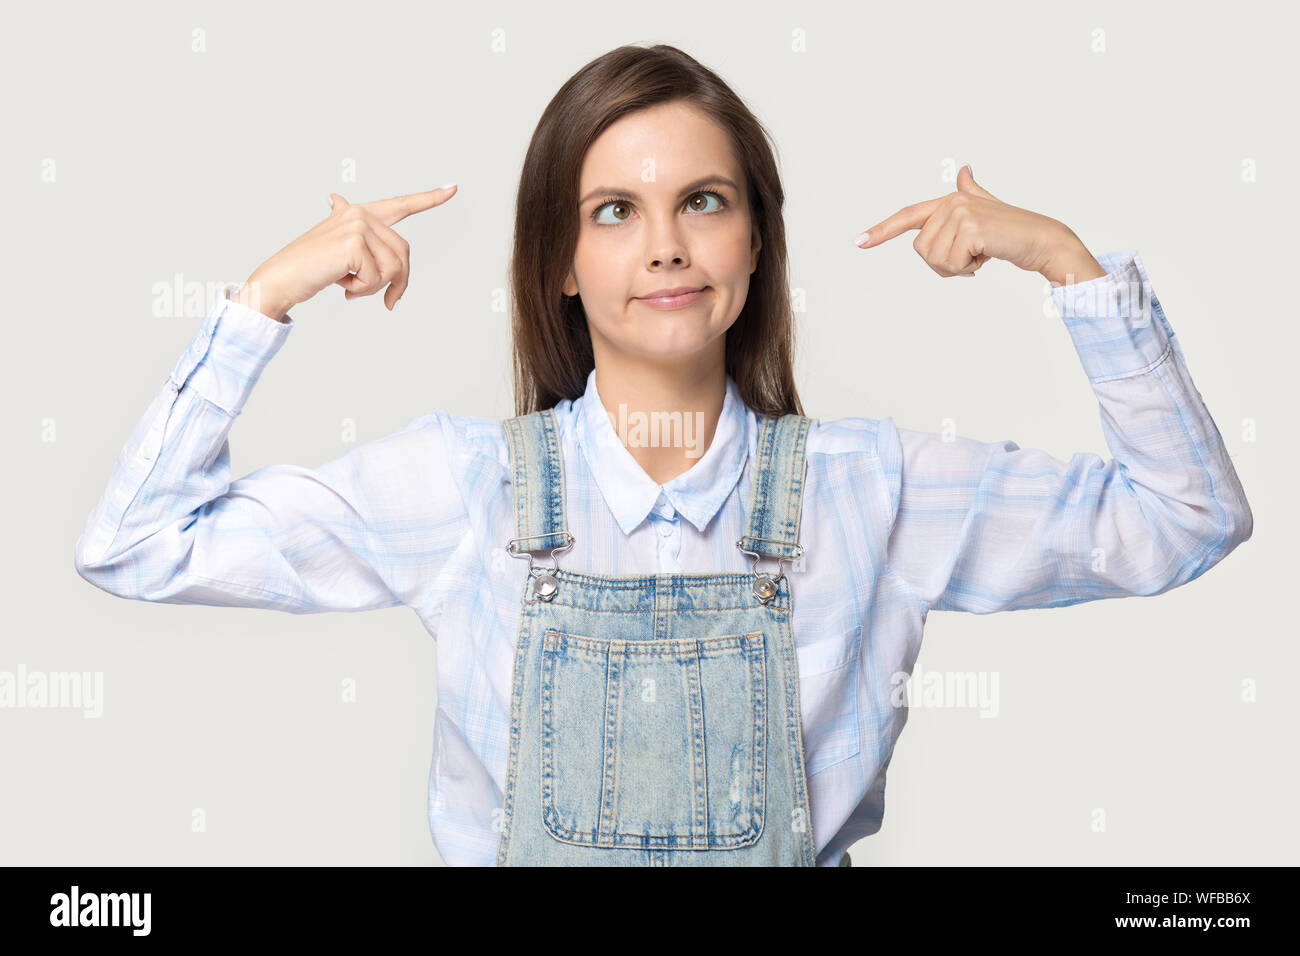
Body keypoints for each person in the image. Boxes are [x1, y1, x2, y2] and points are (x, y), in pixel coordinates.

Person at [74, 44, 1253, 866]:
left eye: (702, 200)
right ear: (558, 262)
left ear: (754, 242)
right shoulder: (461, 487)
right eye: (612, 211)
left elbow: (1182, 515)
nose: (666, 246)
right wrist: (264, 299)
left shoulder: (870, 488)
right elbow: (134, 545)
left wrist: (1066, 263)